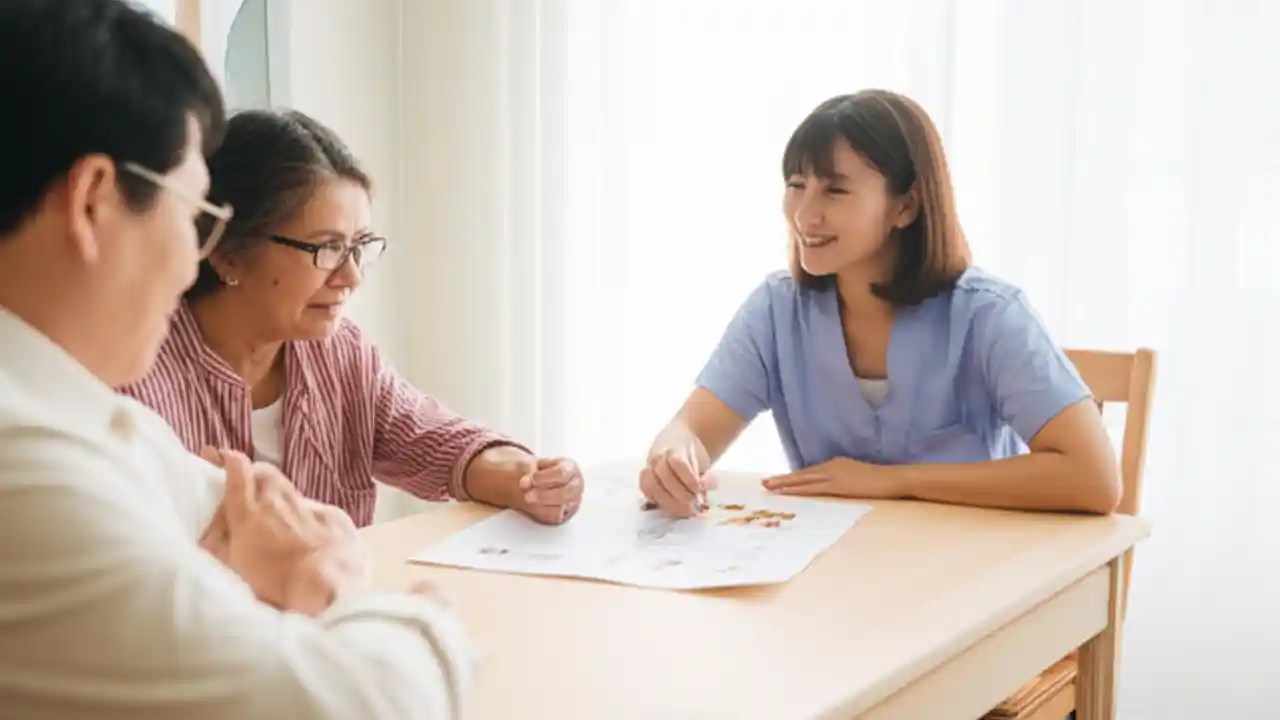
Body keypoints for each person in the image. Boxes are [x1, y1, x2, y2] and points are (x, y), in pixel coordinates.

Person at [0, 1, 472, 717]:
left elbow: (292, 523)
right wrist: (360, 597)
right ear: (94, 200)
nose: (194, 255)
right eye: (192, 216)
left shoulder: (75, 413)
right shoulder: (25, 463)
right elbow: (367, 702)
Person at [639, 90, 1121, 518]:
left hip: (971, 578)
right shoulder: (777, 310)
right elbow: (692, 431)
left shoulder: (989, 316)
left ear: (905, 206)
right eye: (796, 184)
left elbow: (1095, 480)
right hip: (840, 577)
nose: (805, 213)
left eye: (835, 189)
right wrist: (674, 460)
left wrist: (892, 482)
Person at [120, 109, 584, 528]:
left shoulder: (338, 352)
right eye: (326, 248)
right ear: (228, 252)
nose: (352, 276)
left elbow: (436, 442)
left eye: (358, 246)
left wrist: (530, 478)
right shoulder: (134, 375)